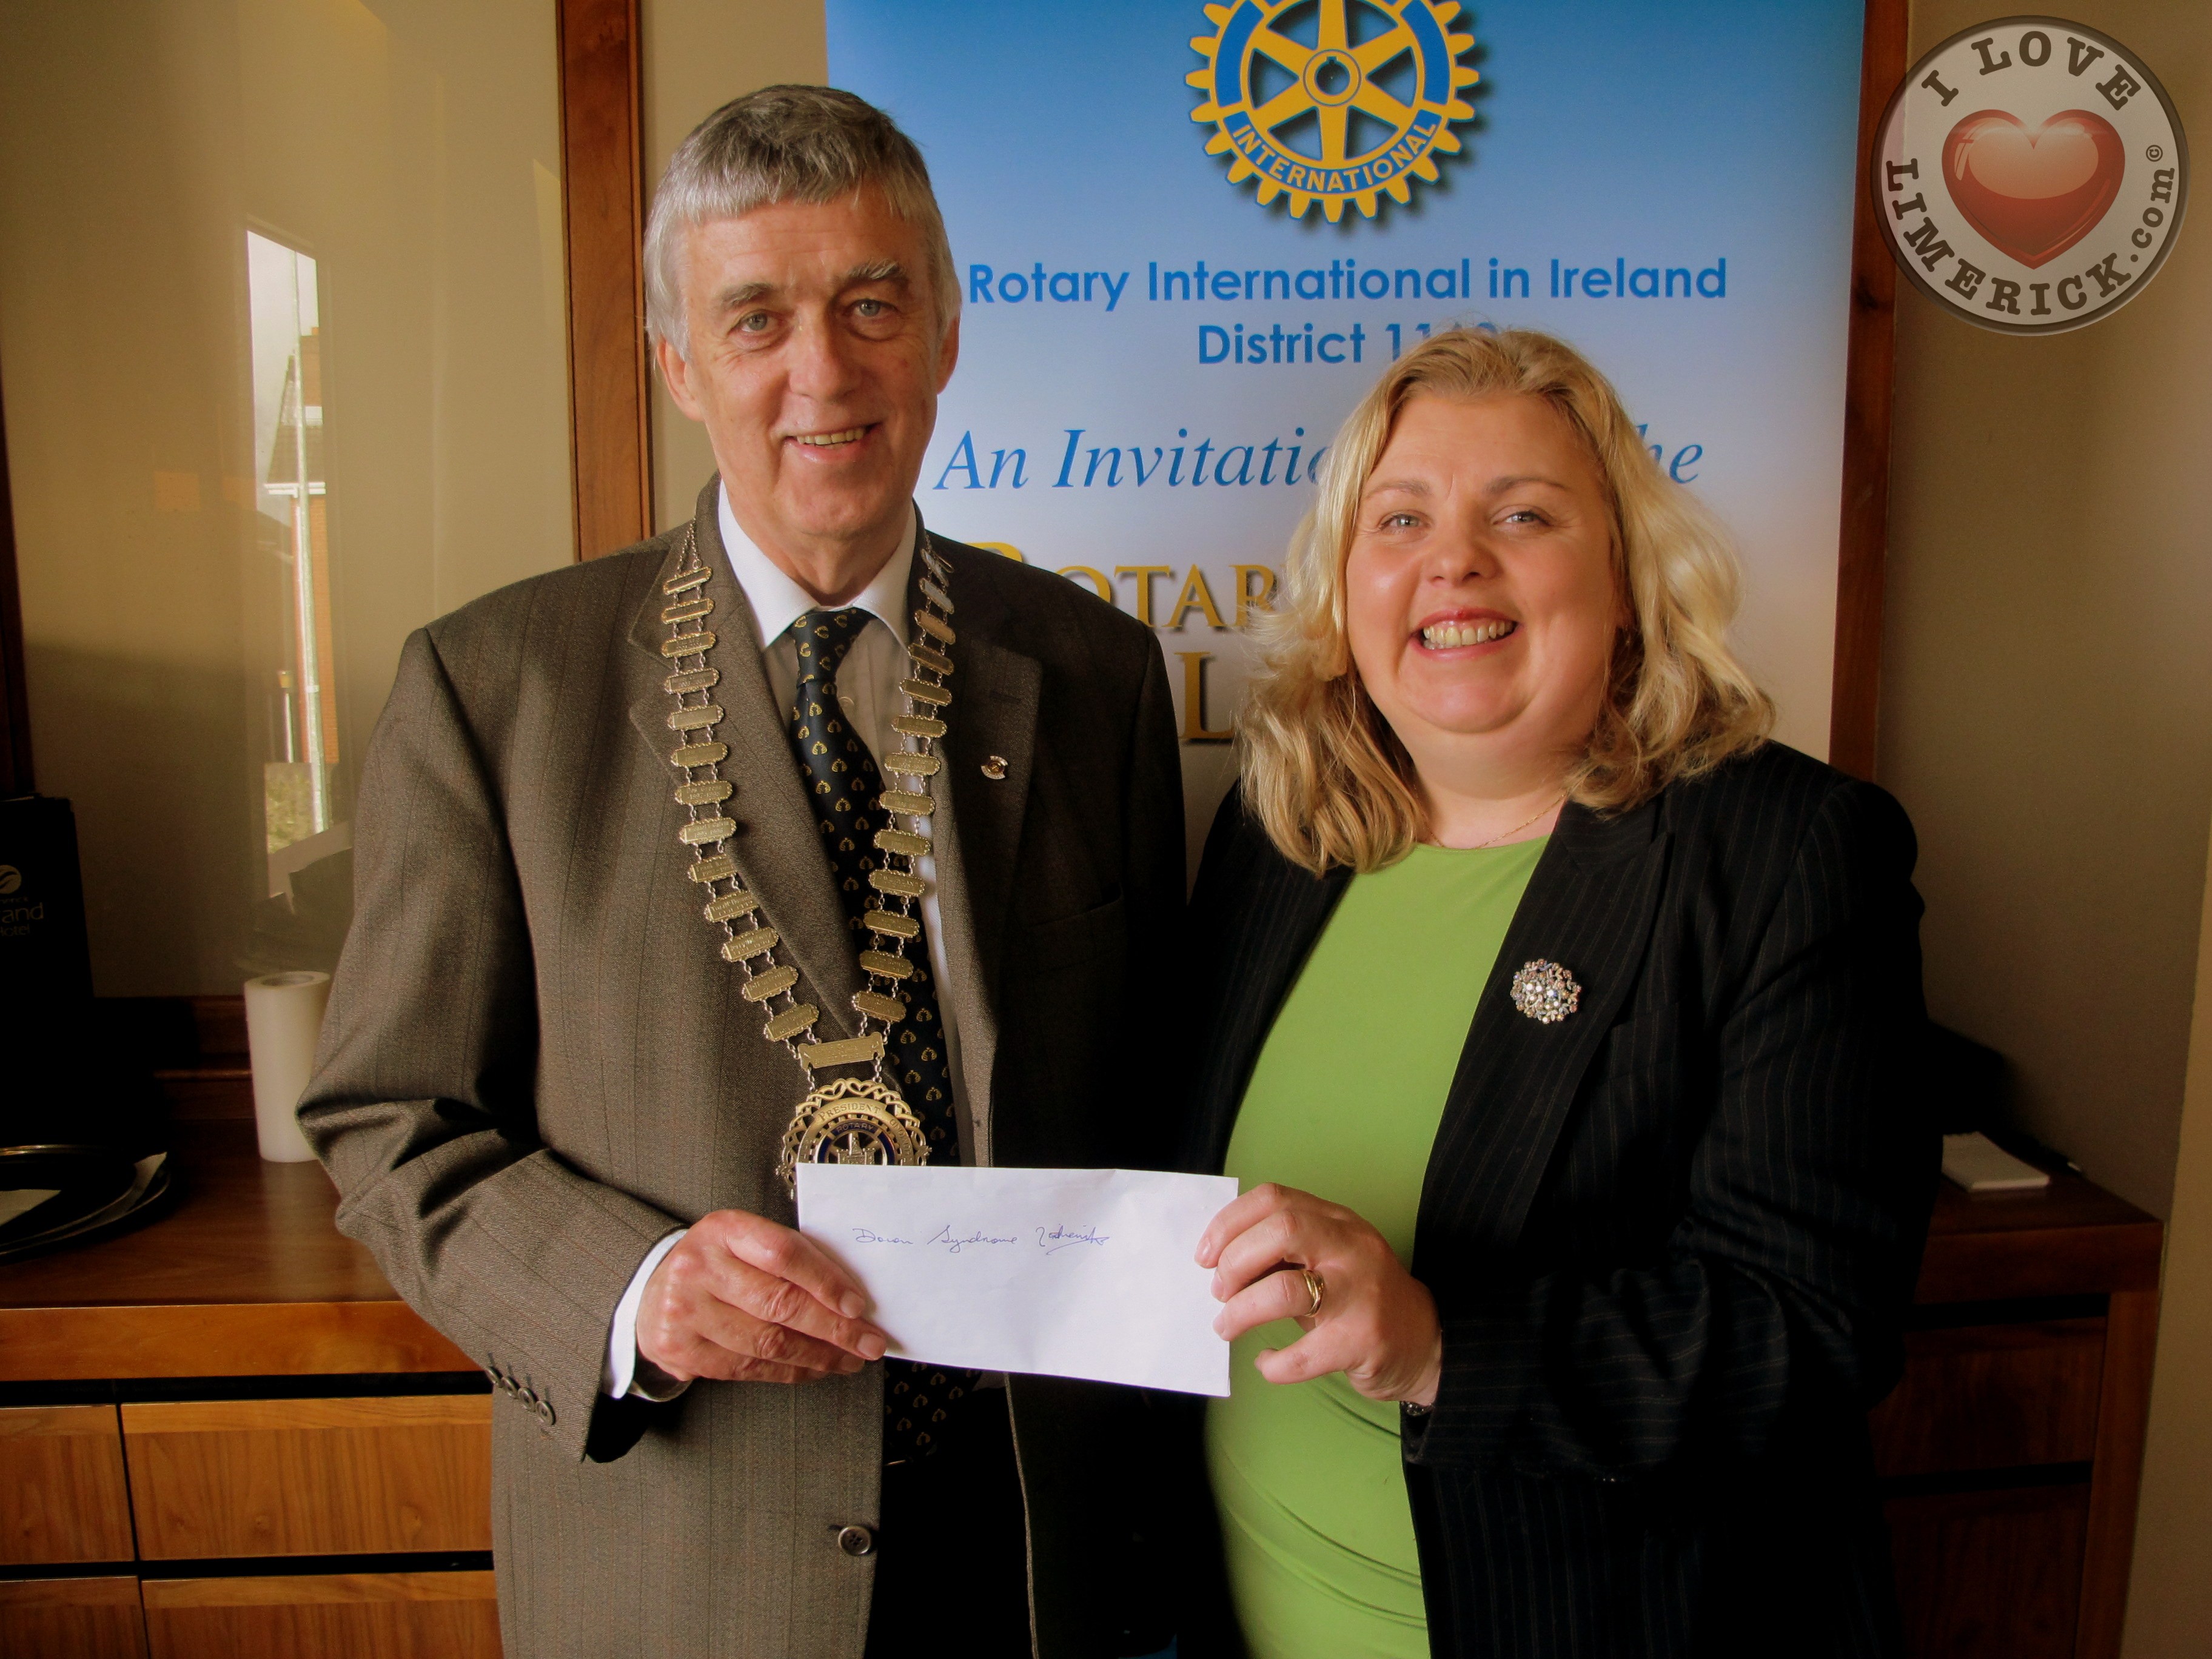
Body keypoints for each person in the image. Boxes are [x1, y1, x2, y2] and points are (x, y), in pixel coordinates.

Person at [300, 86, 1183, 1659]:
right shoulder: (494, 691)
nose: (822, 371)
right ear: (680, 366)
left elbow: (1149, 1094)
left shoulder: (1096, 672)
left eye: (871, 304)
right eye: (757, 316)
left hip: (1040, 1562)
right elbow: (387, 1120)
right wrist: (631, 1293)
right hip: (683, 1560)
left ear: (947, 332)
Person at [1174, 327, 1933, 1658]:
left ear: (1630, 579)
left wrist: (1432, 1345)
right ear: (1348, 591)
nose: (1451, 560)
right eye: (1398, 518)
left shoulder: (1785, 856)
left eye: (1522, 515)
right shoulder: (1279, 838)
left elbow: (1808, 1332)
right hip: (1249, 1616)